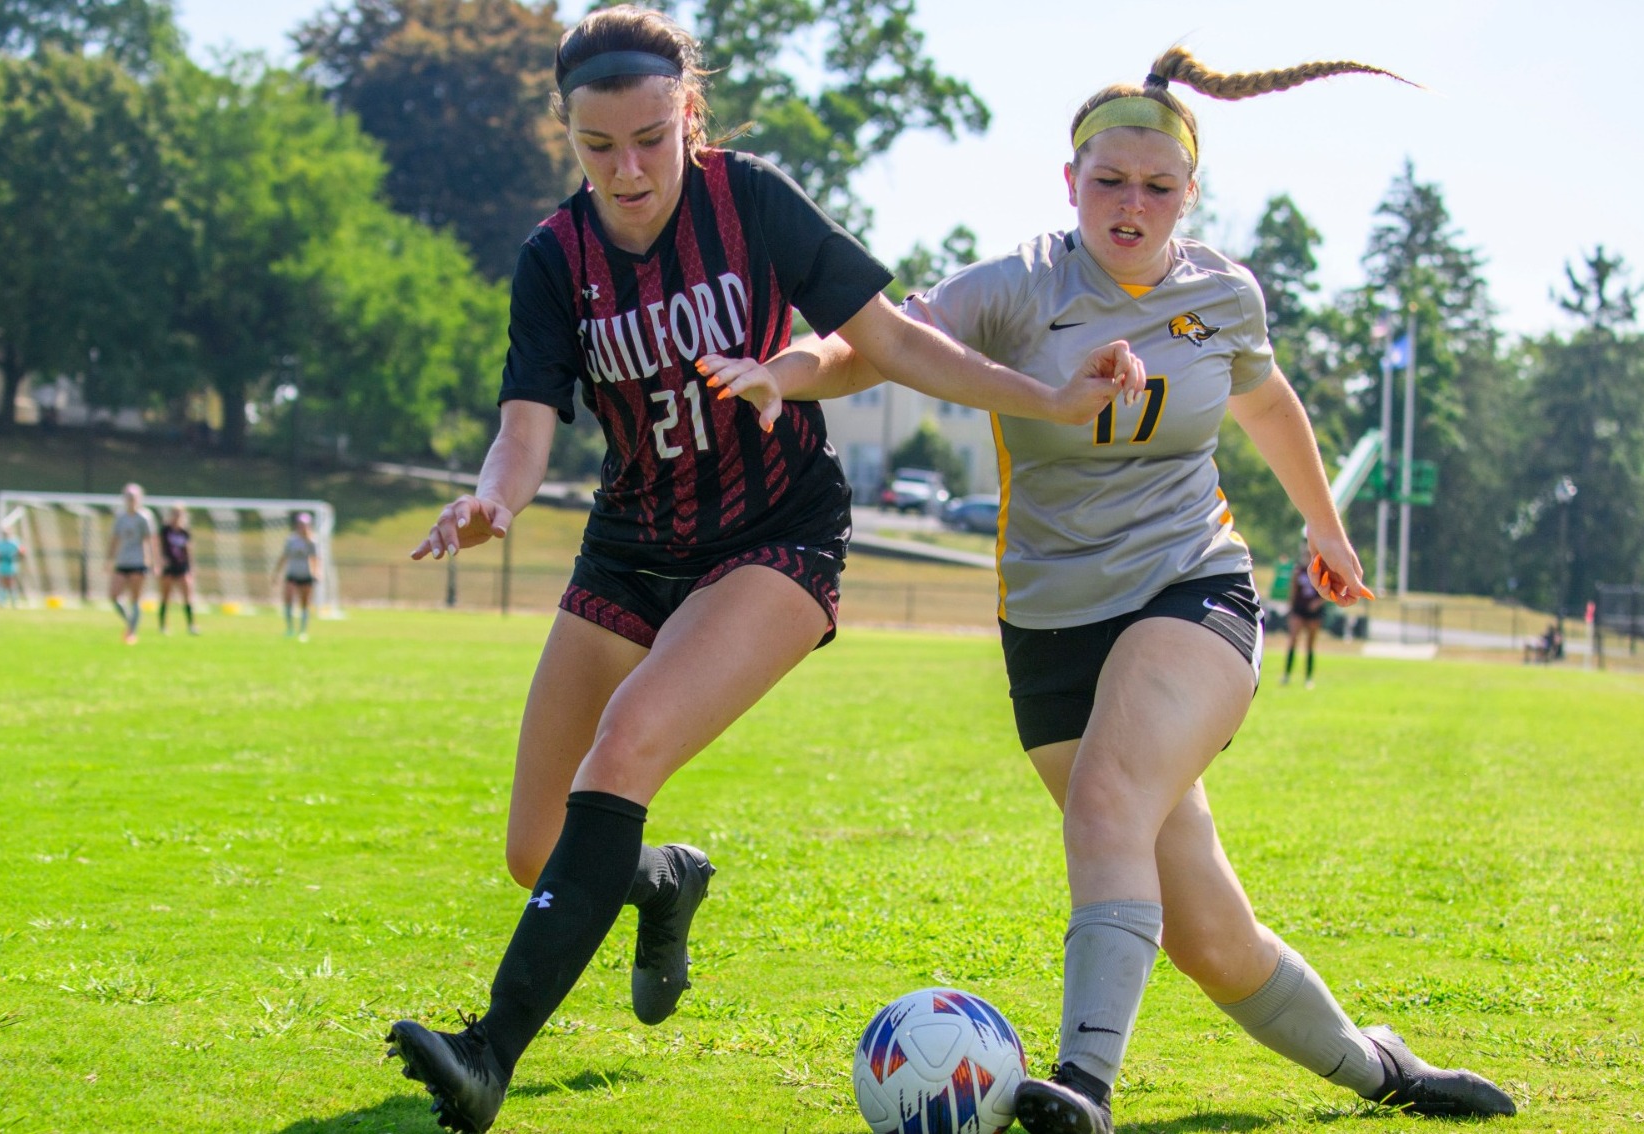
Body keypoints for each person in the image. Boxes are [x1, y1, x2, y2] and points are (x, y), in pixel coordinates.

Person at [715, 46, 1517, 1132]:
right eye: (1109, 183)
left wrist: (1324, 530)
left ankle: (1080, 1088)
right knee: (1208, 938)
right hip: (1048, 629)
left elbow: (1267, 404)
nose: (1130, 206)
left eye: (1157, 187)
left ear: (1188, 196)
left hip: (1192, 592)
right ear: (1069, 183)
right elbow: (872, 348)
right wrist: (783, 372)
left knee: (1105, 799)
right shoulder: (1017, 285)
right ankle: (1387, 1075)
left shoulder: (1221, 294)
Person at [379, 8, 1125, 1132]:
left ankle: (489, 1054)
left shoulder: (752, 202)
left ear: (688, 115)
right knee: (539, 846)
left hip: (772, 535)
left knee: (622, 748)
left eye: (648, 138)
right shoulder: (554, 258)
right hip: (631, 544)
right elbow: (526, 423)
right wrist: (496, 497)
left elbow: (892, 339)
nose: (626, 170)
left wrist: (1049, 397)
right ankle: (661, 881)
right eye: (597, 147)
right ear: (566, 137)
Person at [107, 483, 156, 644]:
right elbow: (115, 539)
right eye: (128, 497)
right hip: (122, 560)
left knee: (135, 598)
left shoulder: (144, 517)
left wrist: (152, 561)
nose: (130, 500)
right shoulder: (120, 517)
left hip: (138, 561)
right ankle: (130, 622)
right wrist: (109, 559)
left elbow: (150, 540)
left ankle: (132, 633)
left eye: (133, 497)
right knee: (114, 595)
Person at [1281, 548, 1327, 688]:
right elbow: (1293, 591)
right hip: (1299, 609)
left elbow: (1326, 591)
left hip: (1314, 612)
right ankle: (1286, 675)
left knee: (1310, 644)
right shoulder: (1298, 571)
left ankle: (1308, 677)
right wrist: (1290, 608)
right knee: (1293, 639)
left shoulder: (1320, 571)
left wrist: (1317, 602)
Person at [272, 512, 320, 641]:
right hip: (292, 573)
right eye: (300, 524)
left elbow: (315, 559)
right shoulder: (291, 540)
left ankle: (303, 631)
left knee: (304, 603)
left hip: (306, 574)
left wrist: (316, 573)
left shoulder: (312, 541)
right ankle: (289, 629)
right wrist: (276, 573)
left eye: (304, 525)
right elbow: (284, 556)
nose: (302, 527)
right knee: (288, 600)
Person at [157, 505, 200, 636]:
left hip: (182, 566)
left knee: (187, 595)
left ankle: (191, 625)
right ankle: (163, 626)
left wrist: (191, 567)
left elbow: (189, 550)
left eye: (179, 514)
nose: (176, 516)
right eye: (174, 513)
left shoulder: (185, 532)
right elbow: (158, 547)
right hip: (168, 567)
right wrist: (159, 562)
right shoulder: (165, 530)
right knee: (165, 596)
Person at [0, 522, 25, 608]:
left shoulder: (15, 542)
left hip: (11, 566)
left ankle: (14, 602)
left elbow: (22, 553)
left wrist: (19, 555)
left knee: (10, 583)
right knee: (3, 584)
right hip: (2, 566)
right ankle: (2, 602)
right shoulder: (0, 543)